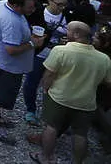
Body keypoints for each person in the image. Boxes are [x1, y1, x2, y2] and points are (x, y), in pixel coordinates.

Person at [37, 20, 111, 164]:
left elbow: (49, 75)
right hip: (86, 102)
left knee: (51, 127)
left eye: (68, 30)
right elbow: (108, 82)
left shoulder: (60, 50)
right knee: (80, 134)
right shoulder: (104, 59)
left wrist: (45, 88)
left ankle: (46, 157)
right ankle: (77, 162)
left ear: (76, 34)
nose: (66, 32)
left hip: (59, 97)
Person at [0, 0, 40, 142]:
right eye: (29, 8)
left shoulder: (1, 4)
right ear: (16, 6)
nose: (32, 10)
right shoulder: (11, 22)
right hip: (4, 65)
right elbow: (11, 50)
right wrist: (32, 43)